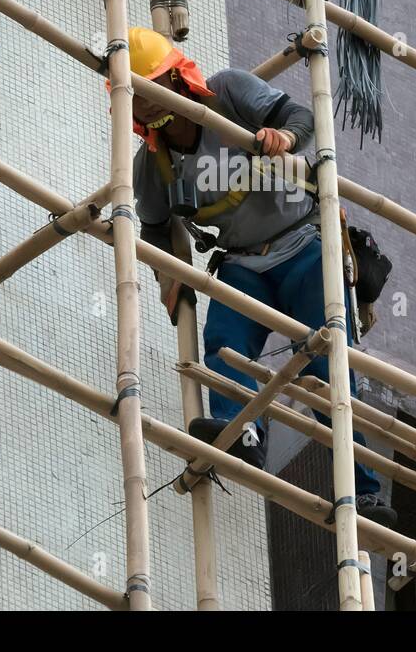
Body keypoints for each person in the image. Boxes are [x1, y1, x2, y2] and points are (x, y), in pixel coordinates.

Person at [124, 27, 398, 528]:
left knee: (326, 372)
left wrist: (286, 138)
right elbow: (156, 230)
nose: (146, 102)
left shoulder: (228, 92)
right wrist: (171, 280)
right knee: (224, 344)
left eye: (151, 86)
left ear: (176, 78)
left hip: (302, 245)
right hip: (242, 262)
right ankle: (240, 435)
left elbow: (304, 118)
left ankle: (364, 488)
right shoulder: (154, 162)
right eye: (136, 96)